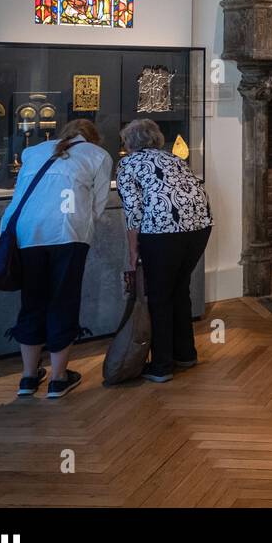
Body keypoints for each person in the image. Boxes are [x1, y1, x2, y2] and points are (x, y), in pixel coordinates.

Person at [2, 118, 111, 399]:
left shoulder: (33, 152)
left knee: (32, 300)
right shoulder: (97, 156)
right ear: (92, 138)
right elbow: (98, 208)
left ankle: (28, 377)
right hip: (68, 234)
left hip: (26, 234)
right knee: (63, 299)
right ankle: (59, 378)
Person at [116, 119, 213, 383]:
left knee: (158, 296)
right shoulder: (174, 158)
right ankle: (185, 353)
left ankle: (161, 365)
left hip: (162, 232)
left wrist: (133, 251)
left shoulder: (128, 164)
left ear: (129, 142)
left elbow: (133, 212)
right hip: (199, 227)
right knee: (179, 289)